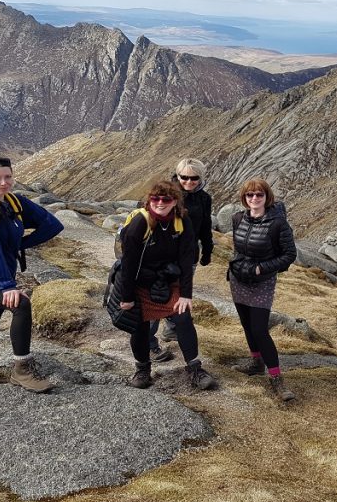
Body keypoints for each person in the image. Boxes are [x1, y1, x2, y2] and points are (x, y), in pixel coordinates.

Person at [0, 151, 63, 392]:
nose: (4, 183)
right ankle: (22, 371)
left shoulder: (14, 202)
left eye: (8, 177)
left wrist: (20, 244)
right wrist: (6, 285)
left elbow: (53, 225)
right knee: (21, 305)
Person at [118, 180, 218, 390]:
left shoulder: (182, 222)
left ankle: (195, 369)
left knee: (183, 317)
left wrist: (186, 295)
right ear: (149, 200)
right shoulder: (140, 223)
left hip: (168, 280)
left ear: (175, 201)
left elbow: (187, 258)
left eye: (166, 199)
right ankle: (143, 368)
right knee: (140, 326)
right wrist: (126, 297)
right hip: (139, 283)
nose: (160, 203)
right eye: (155, 199)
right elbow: (128, 264)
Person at [227, 178, 297, 402]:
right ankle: (256, 362)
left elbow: (289, 255)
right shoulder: (238, 218)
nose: (254, 199)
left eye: (259, 195)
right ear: (244, 198)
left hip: (262, 282)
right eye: (250, 195)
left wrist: (261, 268)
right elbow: (238, 248)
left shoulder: (278, 223)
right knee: (247, 325)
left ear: (267, 197)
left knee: (259, 329)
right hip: (239, 279)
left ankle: (276, 378)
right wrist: (237, 266)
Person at [149, 158, 214, 360]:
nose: (188, 181)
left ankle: (172, 328)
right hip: (163, 256)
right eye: (184, 177)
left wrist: (208, 250)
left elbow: (205, 225)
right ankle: (148, 340)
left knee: (179, 295)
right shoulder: (165, 195)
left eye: (194, 178)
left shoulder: (204, 198)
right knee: (155, 295)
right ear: (177, 175)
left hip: (188, 256)